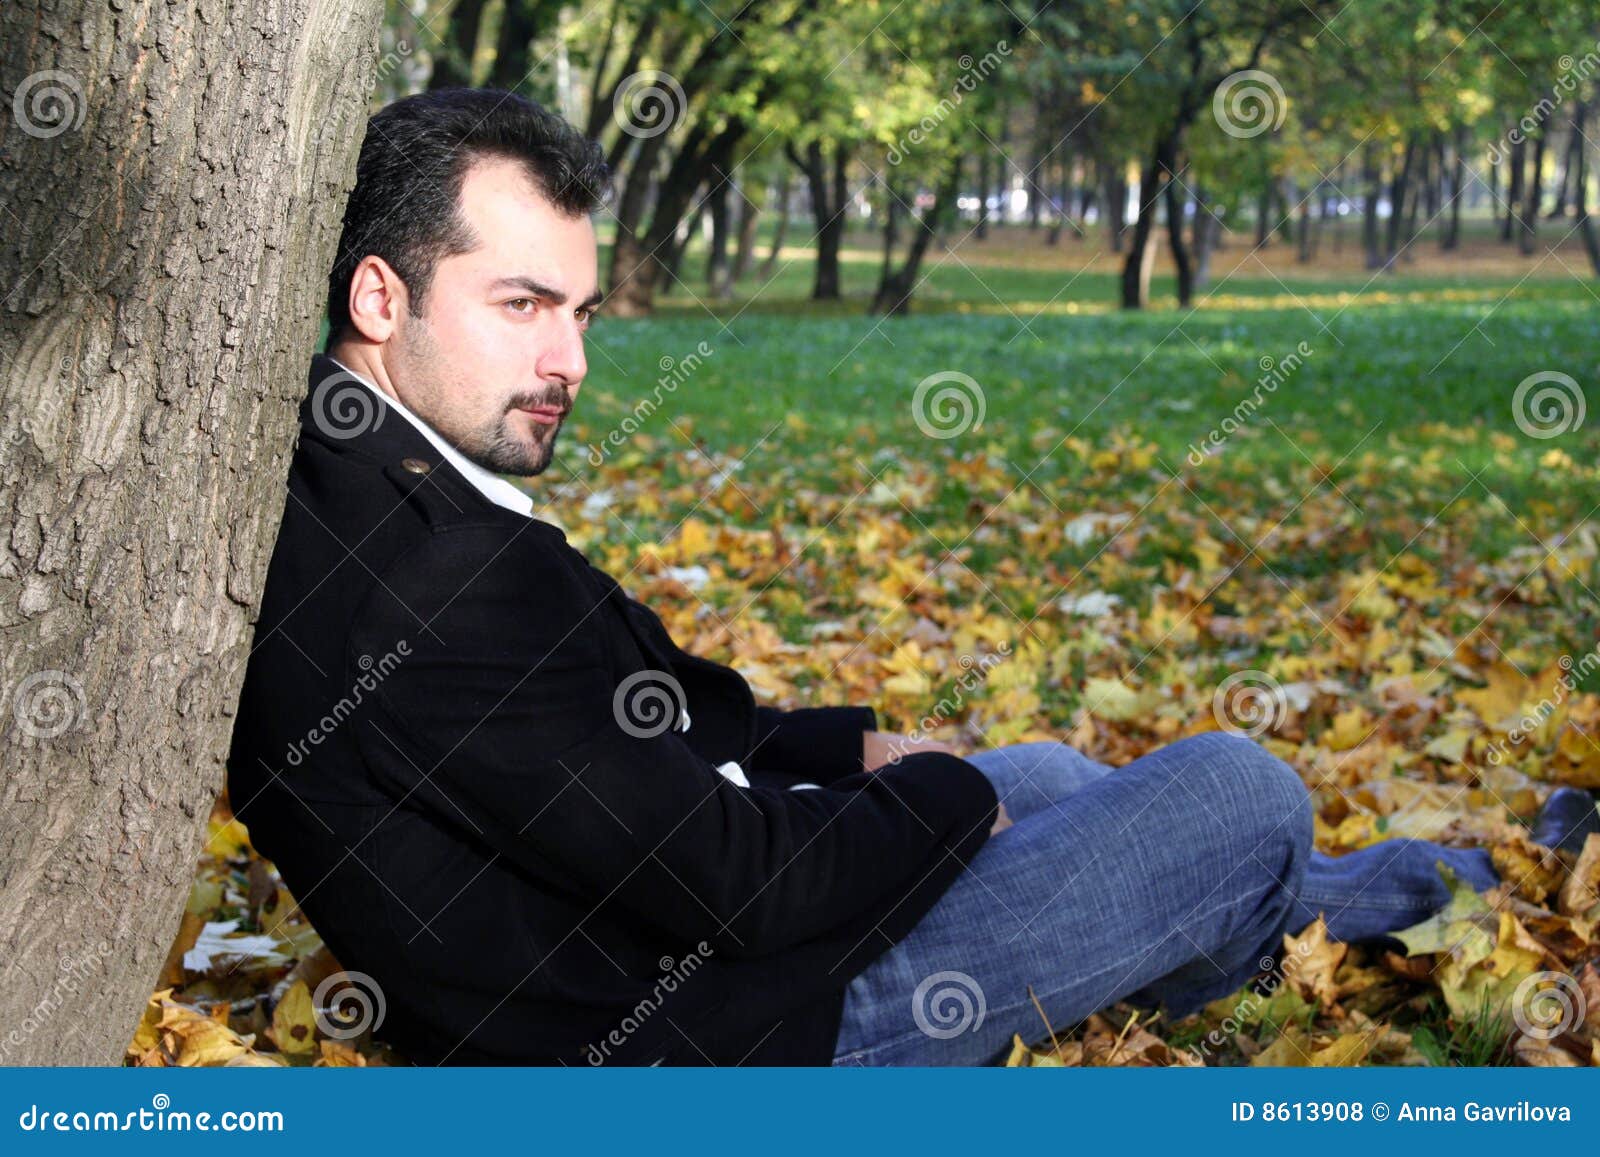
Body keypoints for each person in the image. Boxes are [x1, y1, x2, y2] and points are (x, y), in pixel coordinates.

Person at [227, 88, 1593, 1067]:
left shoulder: (363, 493)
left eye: (581, 314)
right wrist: (951, 788)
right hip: (749, 1032)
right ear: (380, 298)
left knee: (1060, 776)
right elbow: (739, 882)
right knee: (1241, 791)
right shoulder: (427, 587)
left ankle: (1459, 891)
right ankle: (1448, 893)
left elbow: (637, 734)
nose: (570, 364)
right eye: (521, 305)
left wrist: (854, 746)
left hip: (684, 961)